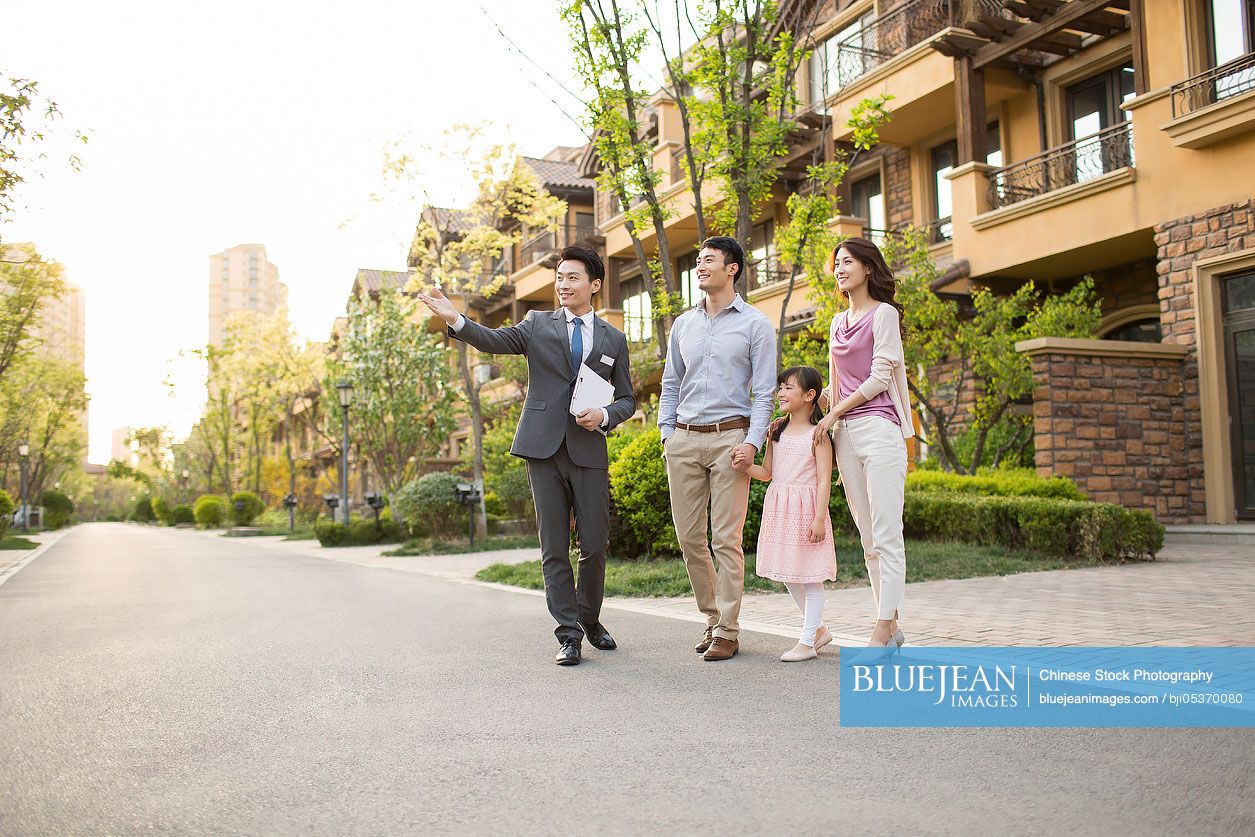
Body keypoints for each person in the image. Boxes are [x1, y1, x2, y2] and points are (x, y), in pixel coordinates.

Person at [418, 246, 636, 666]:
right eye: (560, 277)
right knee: (553, 546)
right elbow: (494, 341)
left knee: (595, 544)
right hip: (542, 448)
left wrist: (605, 414)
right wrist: (455, 318)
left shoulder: (614, 338)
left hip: (588, 449)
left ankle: (590, 619)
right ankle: (569, 633)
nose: (563, 284)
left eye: (573, 277)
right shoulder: (537, 323)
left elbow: (626, 398)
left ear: (594, 284)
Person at [658, 235, 776, 662]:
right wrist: (667, 434)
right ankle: (711, 619)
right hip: (684, 438)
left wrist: (752, 442)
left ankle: (728, 629)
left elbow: (765, 394)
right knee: (690, 538)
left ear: (732, 268)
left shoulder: (756, 325)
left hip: (731, 439)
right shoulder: (683, 325)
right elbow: (671, 383)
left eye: (709, 260)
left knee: (726, 539)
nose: (700, 267)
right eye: (698, 261)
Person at [812, 237, 914, 648]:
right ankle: (892, 626)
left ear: (868, 267)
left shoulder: (883, 314)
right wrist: (806, 400)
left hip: (879, 429)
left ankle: (882, 626)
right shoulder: (837, 322)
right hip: (846, 437)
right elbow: (836, 384)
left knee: (887, 534)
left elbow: (879, 378)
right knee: (868, 540)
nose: (839, 269)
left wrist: (834, 412)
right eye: (836, 263)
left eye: (848, 261)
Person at [738, 366, 837, 662]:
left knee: (811, 575)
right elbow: (767, 472)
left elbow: (824, 480)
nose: (781, 393)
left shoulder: (818, 435)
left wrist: (819, 518)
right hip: (781, 510)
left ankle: (807, 643)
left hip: (807, 511)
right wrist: (746, 466)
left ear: (809, 395)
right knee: (790, 573)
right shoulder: (776, 430)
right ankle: (818, 630)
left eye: (788, 388)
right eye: (780, 387)